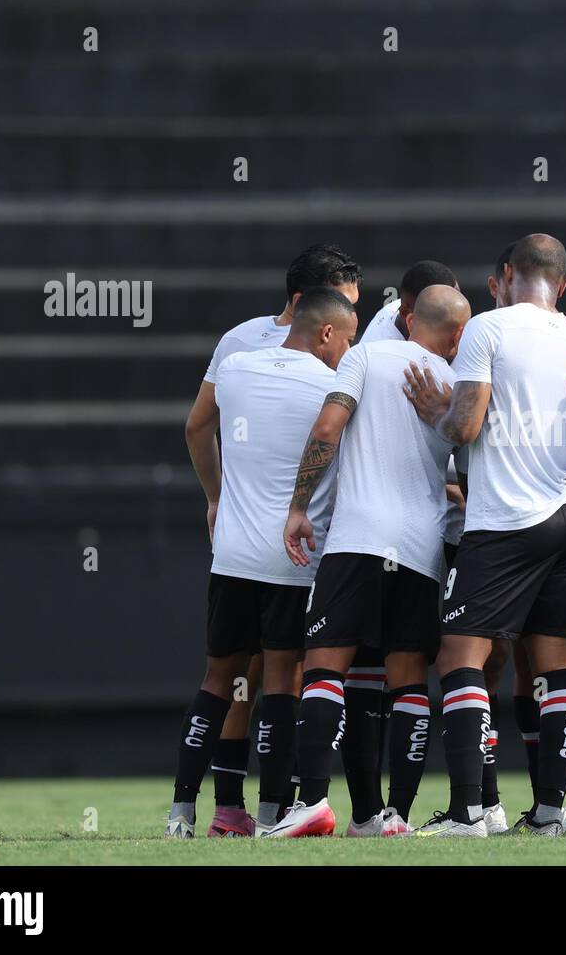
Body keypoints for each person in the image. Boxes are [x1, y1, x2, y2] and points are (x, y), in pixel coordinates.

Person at [402, 234, 566, 836]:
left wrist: (438, 410)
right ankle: (551, 813)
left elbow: (464, 426)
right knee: (554, 670)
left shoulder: (489, 330)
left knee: (459, 658)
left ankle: (469, 812)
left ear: (503, 276)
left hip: (504, 521)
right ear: (564, 285)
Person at [267, 286, 472, 838]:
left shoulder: (364, 356)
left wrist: (297, 507)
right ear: (457, 335)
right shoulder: (456, 385)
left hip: (358, 536)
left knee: (324, 666)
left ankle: (311, 800)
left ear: (408, 319)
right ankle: (394, 817)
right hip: (421, 547)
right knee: (406, 679)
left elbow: (328, 428)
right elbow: (468, 468)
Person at [166, 287, 359, 837]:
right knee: (281, 680)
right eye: (346, 339)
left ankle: (182, 812)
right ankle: (273, 812)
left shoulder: (236, 365)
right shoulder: (334, 386)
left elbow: (195, 427)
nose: (348, 351)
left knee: (217, 679)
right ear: (326, 333)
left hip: (231, 555)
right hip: (292, 559)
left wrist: (215, 497)